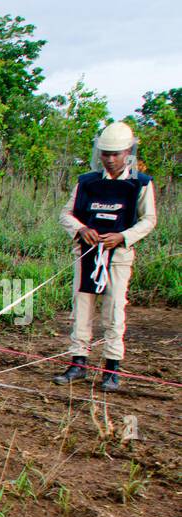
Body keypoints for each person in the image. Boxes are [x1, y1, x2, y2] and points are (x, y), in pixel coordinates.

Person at [53, 121, 157, 391]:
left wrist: (123, 236)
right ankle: (79, 362)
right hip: (87, 253)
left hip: (118, 255)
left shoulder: (140, 184)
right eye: (105, 154)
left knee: (113, 309)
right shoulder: (87, 183)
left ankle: (112, 367)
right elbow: (66, 214)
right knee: (82, 308)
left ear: (127, 153)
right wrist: (82, 228)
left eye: (115, 154)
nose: (110, 160)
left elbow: (149, 220)